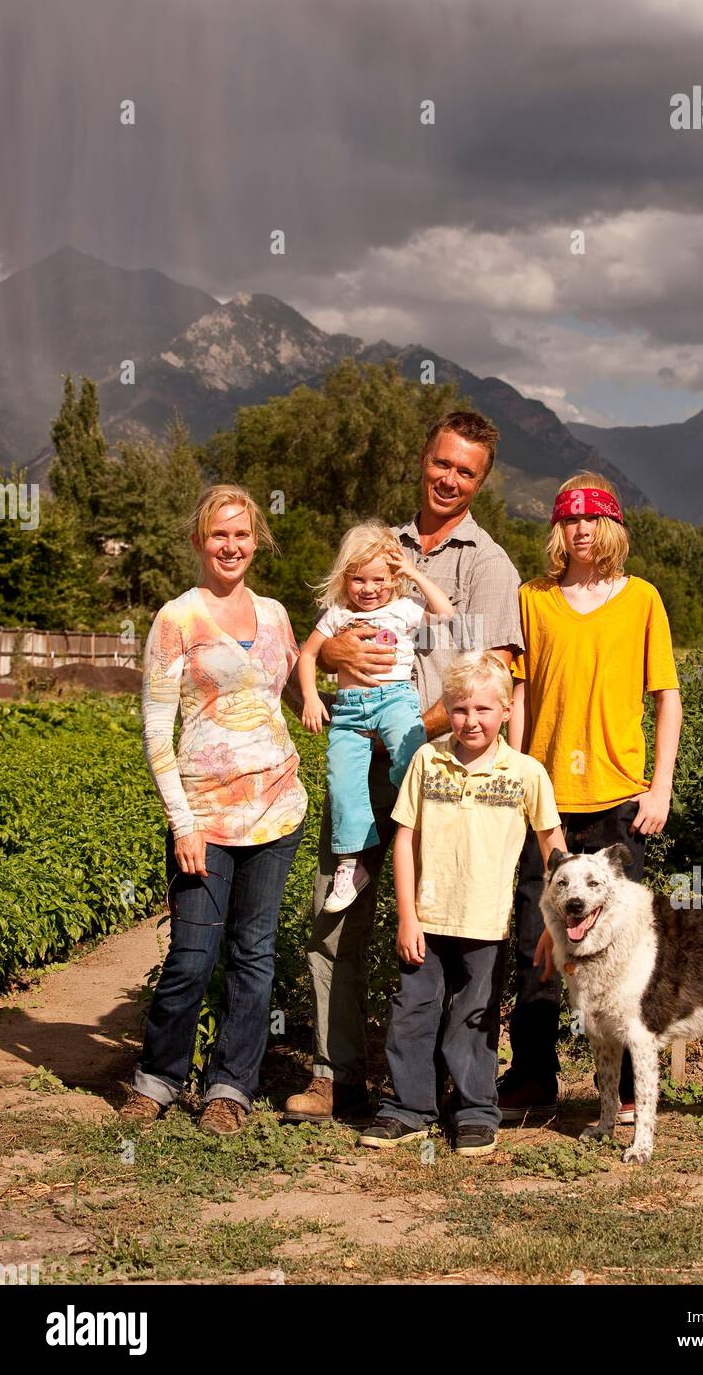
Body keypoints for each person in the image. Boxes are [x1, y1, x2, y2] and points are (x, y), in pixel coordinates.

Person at [283, 410, 523, 1122]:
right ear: (423, 458)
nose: (450, 479)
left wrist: (408, 733)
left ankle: (441, 1082)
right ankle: (335, 1073)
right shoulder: (378, 548)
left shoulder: (487, 566)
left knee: (449, 923)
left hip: (439, 770)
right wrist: (328, 656)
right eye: (442, 463)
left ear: (481, 481)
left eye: (466, 471)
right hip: (360, 760)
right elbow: (325, 630)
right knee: (338, 913)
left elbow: (491, 676)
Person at [120, 484, 307, 1136]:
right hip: (205, 817)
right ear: (200, 541)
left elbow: (277, 696)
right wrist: (183, 821)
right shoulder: (177, 618)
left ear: (257, 540)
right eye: (219, 534)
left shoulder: (278, 614)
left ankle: (231, 1087)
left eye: (243, 534)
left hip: (278, 808)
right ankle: (159, 1078)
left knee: (254, 954)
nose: (232, 545)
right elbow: (155, 727)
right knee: (193, 955)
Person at [499, 473, 683, 1123]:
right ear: (558, 529)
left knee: (623, 946)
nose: (579, 530)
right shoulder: (533, 599)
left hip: (618, 801)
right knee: (535, 941)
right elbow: (517, 697)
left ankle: (632, 1089)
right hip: (546, 799)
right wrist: (516, 775)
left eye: (591, 519)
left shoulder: (641, 601)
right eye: (568, 520)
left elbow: (667, 697)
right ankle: (530, 1080)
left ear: (610, 528)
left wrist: (659, 786)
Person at [359, 652, 566, 1156]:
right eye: (459, 709)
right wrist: (406, 916)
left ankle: (474, 1111)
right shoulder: (428, 760)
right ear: (446, 710)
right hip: (427, 919)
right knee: (413, 1010)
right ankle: (409, 1108)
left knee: (475, 1018)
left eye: (483, 709)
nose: (471, 720)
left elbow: (552, 847)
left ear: (507, 711)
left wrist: (553, 920)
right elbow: (405, 838)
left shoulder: (526, 773)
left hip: (487, 923)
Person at [298, 520, 453, 913]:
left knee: (409, 754)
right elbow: (308, 655)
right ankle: (351, 865)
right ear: (344, 578)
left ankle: (424, 827)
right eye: (358, 580)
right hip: (349, 712)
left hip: (395, 701)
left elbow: (447, 612)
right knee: (343, 780)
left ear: (393, 576)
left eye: (379, 579)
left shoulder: (404, 608)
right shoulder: (336, 614)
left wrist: (413, 572)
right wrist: (312, 699)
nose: (369, 589)